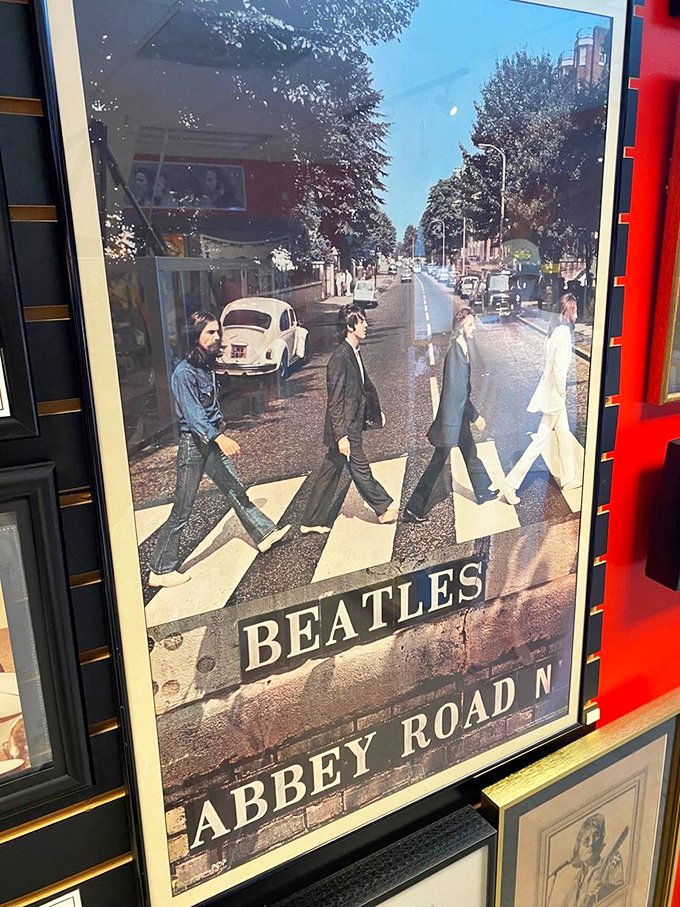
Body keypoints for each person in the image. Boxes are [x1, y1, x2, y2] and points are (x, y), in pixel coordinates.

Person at [148, 312, 290, 588]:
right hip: (195, 446)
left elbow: (209, 407)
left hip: (210, 442)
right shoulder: (184, 373)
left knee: (235, 489)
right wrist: (218, 437)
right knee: (183, 508)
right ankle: (160, 568)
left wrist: (220, 424)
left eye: (217, 332)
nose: (217, 337)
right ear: (195, 337)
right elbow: (193, 416)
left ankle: (264, 533)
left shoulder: (206, 366)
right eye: (210, 333)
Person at [300, 305, 397, 533]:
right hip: (345, 426)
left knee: (330, 470)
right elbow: (334, 401)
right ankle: (382, 508)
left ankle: (310, 521)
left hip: (351, 422)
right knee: (360, 467)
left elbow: (364, 387)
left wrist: (375, 413)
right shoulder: (339, 358)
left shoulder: (354, 352)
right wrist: (341, 435)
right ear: (350, 326)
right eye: (361, 321)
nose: (365, 325)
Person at [403, 307, 497, 522]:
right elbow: (458, 392)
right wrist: (475, 415)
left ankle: (482, 490)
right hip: (452, 419)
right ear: (461, 328)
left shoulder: (462, 347)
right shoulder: (456, 352)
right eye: (471, 325)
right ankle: (413, 508)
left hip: (457, 416)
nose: (474, 329)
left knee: (470, 451)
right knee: (438, 463)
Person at [501, 293, 582, 504]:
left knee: (563, 435)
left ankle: (569, 477)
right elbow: (558, 369)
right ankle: (511, 484)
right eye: (575, 309)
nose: (578, 313)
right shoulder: (563, 333)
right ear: (568, 311)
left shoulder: (554, 331)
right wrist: (562, 392)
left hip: (552, 394)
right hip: (556, 396)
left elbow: (544, 365)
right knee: (540, 441)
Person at [552, 814, 625, 907]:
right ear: (577, 847)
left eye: (596, 836)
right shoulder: (575, 882)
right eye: (586, 839)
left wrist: (600, 893)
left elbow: (621, 895)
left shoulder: (610, 864)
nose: (591, 843)